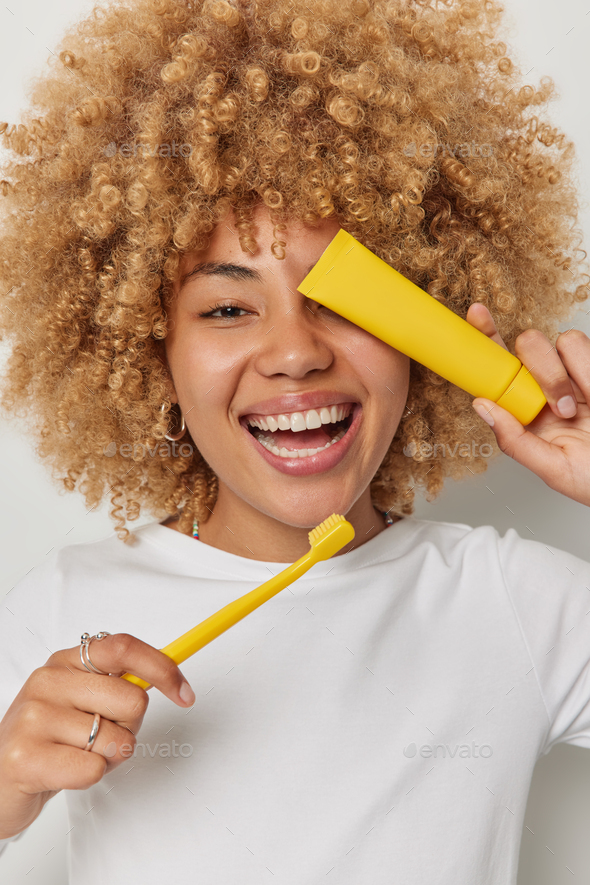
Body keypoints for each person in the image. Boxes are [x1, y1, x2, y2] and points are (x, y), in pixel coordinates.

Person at [0, 0, 589, 882]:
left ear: (425, 330)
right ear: (146, 348)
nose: (295, 352)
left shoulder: (517, 603)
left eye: (345, 301)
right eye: (226, 308)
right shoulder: (62, 611)